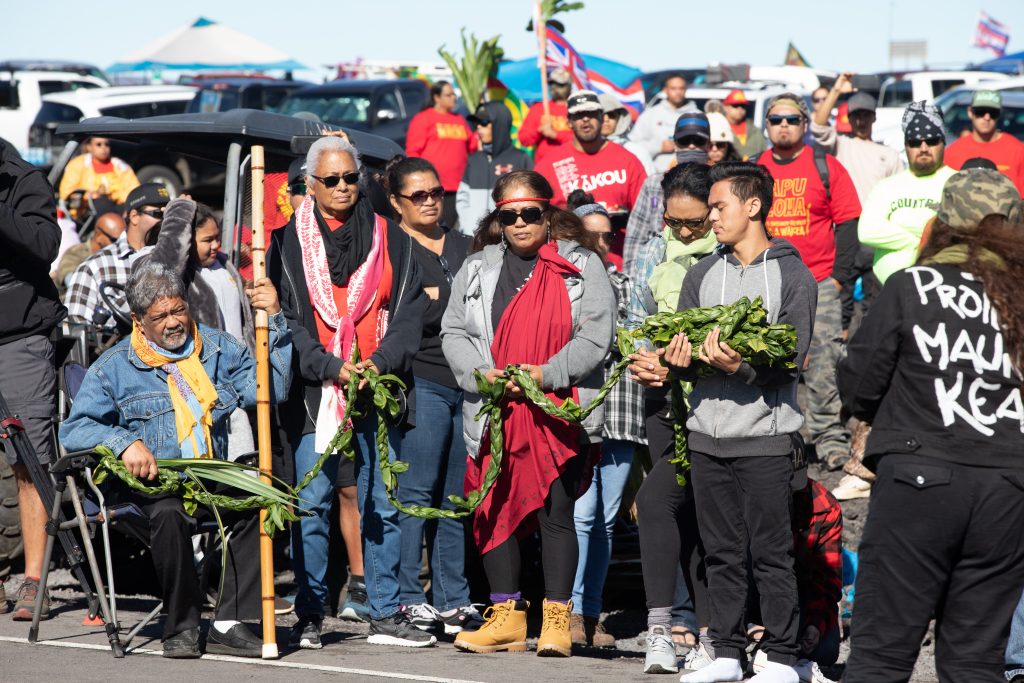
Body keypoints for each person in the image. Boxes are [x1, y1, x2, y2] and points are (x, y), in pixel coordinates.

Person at [838, 168, 1024, 682]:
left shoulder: (913, 284)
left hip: (918, 480)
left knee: (881, 654)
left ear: (943, 222)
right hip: (1008, 488)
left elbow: (859, 383)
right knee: (975, 661)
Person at [59, 261, 291, 658]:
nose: (172, 322)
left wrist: (276, 320)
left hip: (203, 470)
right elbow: (74, 430)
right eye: (160, 316)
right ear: (138, 320)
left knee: (263, 496)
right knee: (168, 514)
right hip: (146, 484)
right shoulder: (114, 366)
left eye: (178, 310)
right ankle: (181, 622)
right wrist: (123, 442)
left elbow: (271, 390)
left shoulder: (217, 347)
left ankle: (227, 621)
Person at [267, 135, 431, 649]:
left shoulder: (394, 239)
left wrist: (377, 365)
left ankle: (383, 610)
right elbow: (285, 322)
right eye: (330, 180)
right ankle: (311, 612)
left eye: (350, 178)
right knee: (312, 501)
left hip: (378, 388)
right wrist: (331, 366)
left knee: (381, 500)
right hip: (317, 392)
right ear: (310, 186)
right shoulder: (282, 244)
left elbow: (409, 316)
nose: (342, 187)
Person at [442, 170, 613, 657]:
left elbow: (596, 338)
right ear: (497, 218)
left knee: (557, 513)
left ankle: (556, 619)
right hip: (492, 408)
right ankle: (506, 619)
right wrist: (480, 372)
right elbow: (453, 332)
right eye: (508, 215)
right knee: (493, 510)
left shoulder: (582, 265)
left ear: (548, 213)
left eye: (529, 214)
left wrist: (546, 374)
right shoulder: (476, 267)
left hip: (555, 409)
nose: (519, 223)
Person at [663, 161, 817, 683]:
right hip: (707, 436)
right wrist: (671, 360)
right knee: (722, 554)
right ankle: (727, 653)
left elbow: (790, 360)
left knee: (772, 556)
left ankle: (782, 658)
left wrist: (743, 367)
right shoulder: (702, 273)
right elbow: (676, 347)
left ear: (753, 207)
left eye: (718, 207)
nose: (710, 217)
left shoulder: (793, 275)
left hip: (767, 440)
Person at [626, 163, 718, 674]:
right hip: (662, 402)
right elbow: (638, 319)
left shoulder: (727, 258)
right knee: (680, 515)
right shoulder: (651, 253)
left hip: (711, 404)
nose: (683, 232)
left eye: (695, 223)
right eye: (674, 221)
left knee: (672, 504)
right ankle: (685, 632)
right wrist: (644, 357)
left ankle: (695, 631)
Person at [383, 156, 481, 635]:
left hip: (468, 382)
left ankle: (453, 599)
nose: (429, 201)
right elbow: (405, 314)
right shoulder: (391, 247)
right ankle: (407, 597)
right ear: (396, 201)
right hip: (421, 377)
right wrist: (437, 304)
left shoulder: (465, 245)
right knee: (417, 491)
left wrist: (440, 303)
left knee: (454, 496)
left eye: (435, 192)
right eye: (417, 195)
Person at [755, 93, 861, 472]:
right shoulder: (753, 172)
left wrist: (838, 280)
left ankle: (830, 438)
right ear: (766, 126)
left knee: (825, 363)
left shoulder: (825, 166)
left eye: (792, 119)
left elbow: (848, 225)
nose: (784, 125)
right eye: (776, 119)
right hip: (765, 284)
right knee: (764, 362)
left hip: (820, 282)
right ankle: (770, 438)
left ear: (804, 125)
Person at [563, 190, 643, 649]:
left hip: (623, 412)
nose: (599, 245)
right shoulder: (562, 283)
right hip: (579, 411)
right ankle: (569, 610)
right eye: (589, 236)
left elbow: (634, 339)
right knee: (581, 515)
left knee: (607, 519)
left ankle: (591, 612)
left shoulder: (628, 284)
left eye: (606, 237)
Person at [0, 137, 66, 621]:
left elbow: (45, 245)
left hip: (19, 338)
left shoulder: (24, 181)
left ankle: (34, 580)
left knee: (29, 461)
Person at [138, 199, 257, 460]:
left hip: (239, 371)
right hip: (206, 377)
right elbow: (165, 262)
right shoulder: (181, 275)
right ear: (189, 242)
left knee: (246, 454)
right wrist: (180, 210)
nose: (216, 245)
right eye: (207, 240)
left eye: (217, 238)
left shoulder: (224, 265)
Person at [858, 102, 957, 285]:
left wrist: (895, 231)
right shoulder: (887, 186)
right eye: (915, 142)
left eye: (932, 140)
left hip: (943, 290)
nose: (924, 148)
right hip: (889, 292)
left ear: (943, 143)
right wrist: (916, 241)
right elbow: (867, 231)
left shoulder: (958, 183)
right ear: (906, 146)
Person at [64, 183, 170, 329]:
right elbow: (75, 327)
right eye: (158, 214)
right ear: (134, 216)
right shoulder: (95, 267)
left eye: (169, 214)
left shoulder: (175, 261)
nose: (165, 221)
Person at [622, 111, 711, 275]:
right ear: (675, 144)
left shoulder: (719, 183)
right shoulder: (654, 184)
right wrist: (633, 278)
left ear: (709, 145)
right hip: (658, 270)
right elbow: (636, 237)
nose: (691, 146)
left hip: (706, 269)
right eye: (685, 141)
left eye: (698, 140)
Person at [811, 75, 901, 203]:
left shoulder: (889, 154)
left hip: (877, 219)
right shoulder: (840, 145)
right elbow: (818, 127)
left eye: (866, 115)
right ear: (849, 119)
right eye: (856, 116)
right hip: (847, 220)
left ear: (874, 117)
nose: (861, 121)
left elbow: (898, 194)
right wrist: (836, 90)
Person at [405, 81, 477, 227]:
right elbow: (413, 152)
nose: (453, 98)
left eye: (454, 94)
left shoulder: (459, 120)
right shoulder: (423, 118)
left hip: (457, 186)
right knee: (432, 226)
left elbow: (473, 145)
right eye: (448, 95)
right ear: (437, 97)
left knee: (448, 228)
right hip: (432, 188)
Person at [456, 102, 534, 236]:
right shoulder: (474, 160)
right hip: (474, 238)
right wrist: (467, 226)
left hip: (508, 239)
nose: (479, 128)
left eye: (484, 123)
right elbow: (463, 197)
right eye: (477, 124)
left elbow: (531, 200)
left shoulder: (521, 159)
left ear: (500, 125)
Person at [944, 90, 1024, 194]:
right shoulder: (952, 152)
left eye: (992, 113)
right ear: (970, 112)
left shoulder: (1018, 150)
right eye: (980, 112)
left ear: (999, 114)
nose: (987, 117)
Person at [630, 74, 694, 171]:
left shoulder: (695, 115)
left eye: (681, 88)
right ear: (665, 90)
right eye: (673, 88)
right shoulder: (650, 115)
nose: (678, 92)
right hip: (657, 175)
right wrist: (658, 146)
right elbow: (633, 146)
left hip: (688, 174)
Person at [53, 212, 125, 295]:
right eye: (114, 240)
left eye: (123, 239)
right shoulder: (76, 253)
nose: (121, 244)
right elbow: (74, 284)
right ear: (99, 235)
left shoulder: (116, 255)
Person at [58, 136, 140, 205]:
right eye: (99, 144)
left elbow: (134, 191)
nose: (103, 148)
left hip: (119, 206)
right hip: (87, 211)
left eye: (106, 144)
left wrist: (113, 196)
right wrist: (91, 195)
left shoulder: (120, 166)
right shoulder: (77, 164)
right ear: (89, 147)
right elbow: (66, 192)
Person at [518, 68, 574, 163]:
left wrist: (555, 135)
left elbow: (582, 140)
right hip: (544, 166)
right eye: (551, 84)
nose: (554, 88)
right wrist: (539, 131)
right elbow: (523, 139)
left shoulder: (575, 108)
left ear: (568, 86)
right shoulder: (539, 108)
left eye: (560, 85)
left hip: (571, 164)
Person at [598, 93, 654, 173]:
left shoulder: (635, 151)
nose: (606, 120)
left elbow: (650, 182)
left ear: (619, 118)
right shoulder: (585, 150)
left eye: (611, 115)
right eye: (601, 115)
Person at [722, 90, 767, 161]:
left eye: (743, 106)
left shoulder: (754, 130)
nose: (740, 109)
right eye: (735, 105)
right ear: (725, 107)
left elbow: (765, 154)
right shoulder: (719, 128)